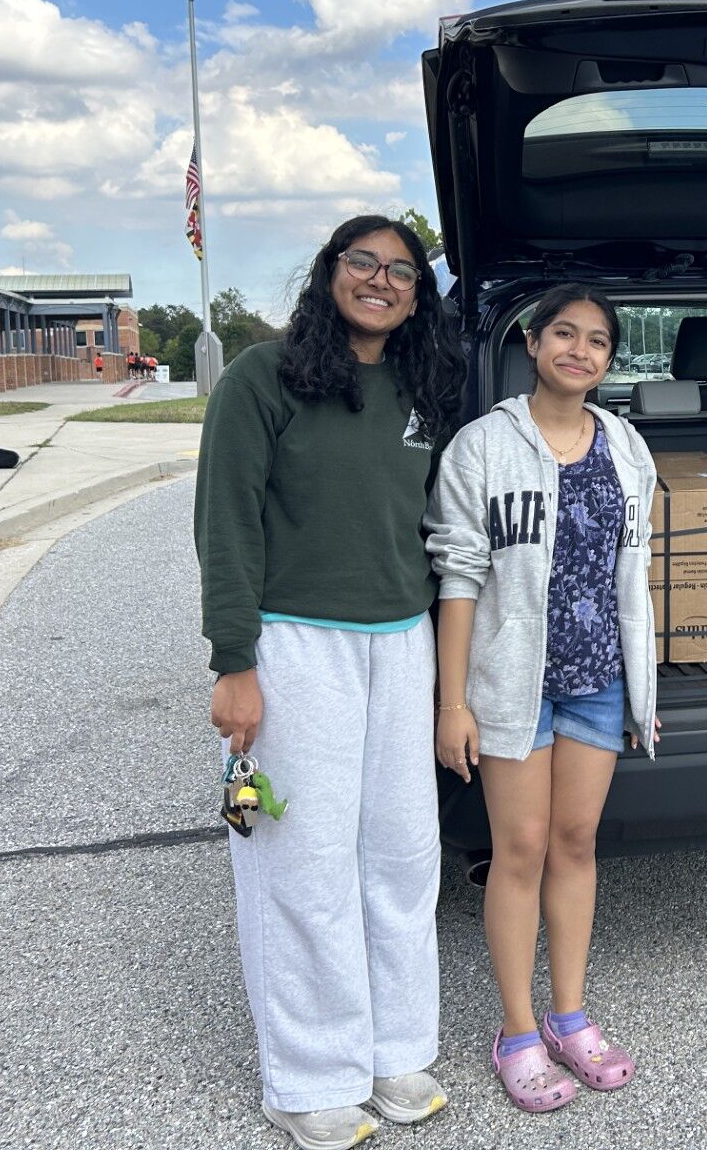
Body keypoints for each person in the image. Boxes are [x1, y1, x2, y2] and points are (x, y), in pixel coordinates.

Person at [195, 214, 465, 1149]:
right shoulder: (259, 381)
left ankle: (392, 1049)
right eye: (364, 263)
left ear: (417, 295)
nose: (382, 281)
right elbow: (224, 525)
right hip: (295, 643)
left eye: (401, 272)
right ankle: (307, 1076)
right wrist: (235, 664)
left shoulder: (424, 387)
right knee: (301, 858)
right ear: (329, 272)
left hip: (402, 641)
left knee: (399, 856)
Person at [426, 284, 659, 1114]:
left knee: (576, 843)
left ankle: (570, 1015)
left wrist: (643, 687)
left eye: (599, 341)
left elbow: (635, 578)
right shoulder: (481, 447)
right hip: (511, 688)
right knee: (517, 849)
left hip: (597, 685)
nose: (581, 351)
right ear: (532, 341)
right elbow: (458, 578)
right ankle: (517, 1032)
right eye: (566, 332)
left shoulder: (628, 448)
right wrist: (452, 703)